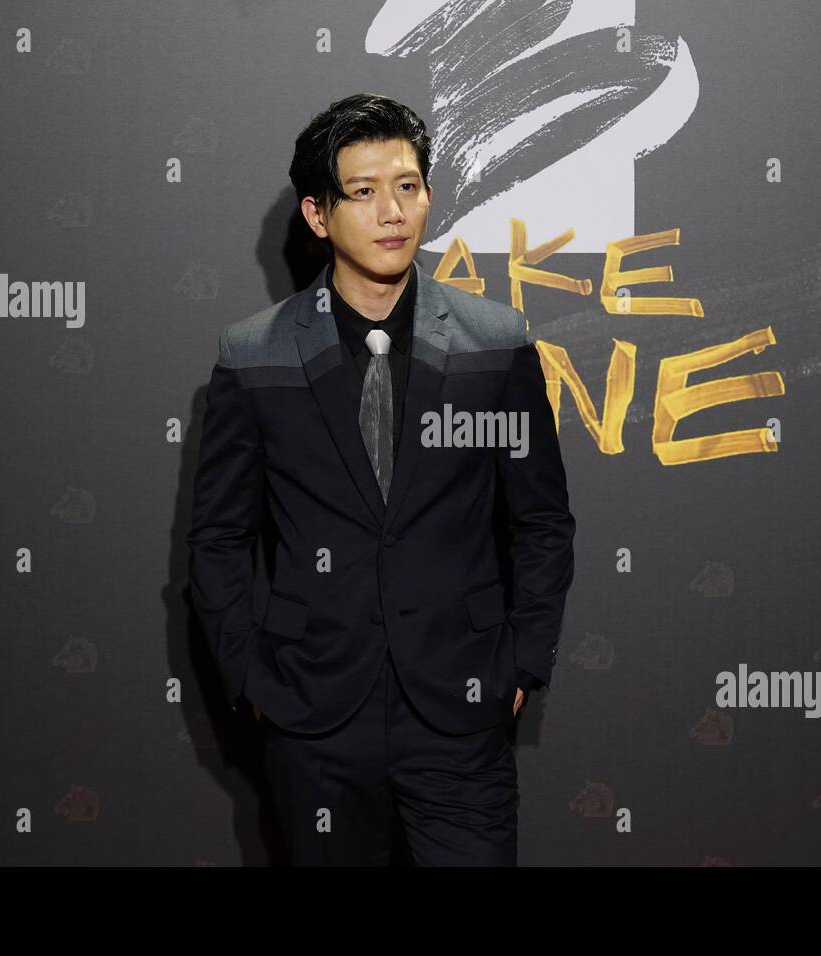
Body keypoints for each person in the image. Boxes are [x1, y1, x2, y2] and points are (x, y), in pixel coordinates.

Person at [186, 93, 575, 865]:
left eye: (407, 186)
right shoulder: (254, 354)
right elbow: (219, 538)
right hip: (315, 718)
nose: (392, 210)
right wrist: (255, 679)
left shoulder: (494, 344)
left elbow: (541, 522)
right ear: (318, 214)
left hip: (461, 712)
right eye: (363, 192)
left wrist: (523, 662)